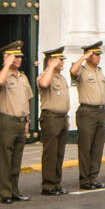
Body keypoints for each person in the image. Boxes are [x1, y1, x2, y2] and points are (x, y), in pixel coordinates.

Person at [0, 40, 32, 203]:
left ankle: (15, 190)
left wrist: (27, 120)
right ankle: (5, 192)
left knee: (16, 159)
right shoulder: (1, 75)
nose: (19, 60)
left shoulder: (22, 77)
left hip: (20, 121)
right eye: (15, 57)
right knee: (5, 159)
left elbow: (27, 99)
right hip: (7, 121)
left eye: (20, 57)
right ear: (7, 58)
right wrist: (6, 66)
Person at [71, 41, 105, 189]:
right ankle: (84, 179)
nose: (98, 57)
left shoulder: (99, 71)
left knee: (97, 147)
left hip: (99, 111)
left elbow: (102, 93)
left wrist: (104, 111)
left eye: (99, 55)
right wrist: (83, 57)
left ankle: (93, 177)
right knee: (86, 147)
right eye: (95, 55)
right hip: (87, 112)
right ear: (88, 55)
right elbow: (73, 71)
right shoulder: (82, 70)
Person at [37, 46, 71, 195]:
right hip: (50, 117)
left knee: (59, 153)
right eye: (59, 59)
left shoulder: (61, 77)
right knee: (50, 152)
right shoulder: (45, 75)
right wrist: (50, 66)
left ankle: (57, 182)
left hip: (62, 118)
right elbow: (44, 84)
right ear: (51, 61)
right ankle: (48, 185)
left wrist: (67, 117)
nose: (62, 62)